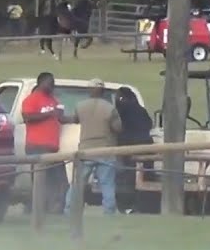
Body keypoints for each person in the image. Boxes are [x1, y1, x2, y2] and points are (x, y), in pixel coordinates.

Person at [65, 79, 123, 216]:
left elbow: (75, 119)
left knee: (77, 183)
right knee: (107, 184)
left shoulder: (80, 106)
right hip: (105, 150)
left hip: (85, 149)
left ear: (89, 90)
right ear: (103, 91)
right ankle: (109, 212)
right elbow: (118, 128)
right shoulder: (109, 108)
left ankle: (69, 210)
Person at [20, 71, 69, 214]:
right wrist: (49, 114)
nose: (53, 85)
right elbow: (27, 117)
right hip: (36, 146)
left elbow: (60, 118)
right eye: (50, 82)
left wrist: (75, 118)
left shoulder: (53, 100)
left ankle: (54, 210)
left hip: (52, 148)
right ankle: (36, 210)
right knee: (40, 181)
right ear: (41, 83)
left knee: (59, 181)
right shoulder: (32, 99)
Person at [114, 86, 154, 209]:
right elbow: (149, 124)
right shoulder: (141, 110)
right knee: (145, 176)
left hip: (129, 147)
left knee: (128, 177)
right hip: (145, 146)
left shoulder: (121, 111)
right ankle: (143, 204)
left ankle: (127, 205)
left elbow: (117, 128)